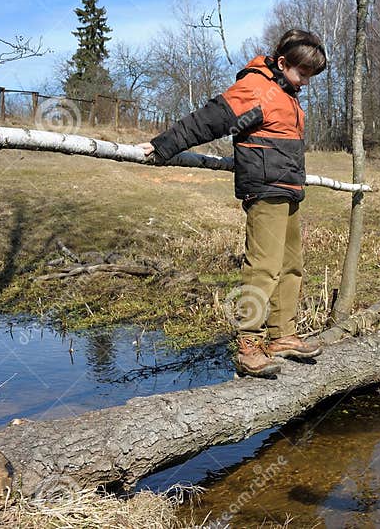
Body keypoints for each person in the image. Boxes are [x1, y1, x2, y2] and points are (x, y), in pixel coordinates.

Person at [138, 29, 327, 378]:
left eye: (309, 76)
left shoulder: (287, 93)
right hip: (265, 189)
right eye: (302, 74)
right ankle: (248, 346)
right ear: (283, 63)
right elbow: (209, 119)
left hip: (288, 189)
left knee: (291, 265)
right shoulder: (257, 88)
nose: (305, 83)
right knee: (263, 267)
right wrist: (164, 145)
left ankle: (281, 336)